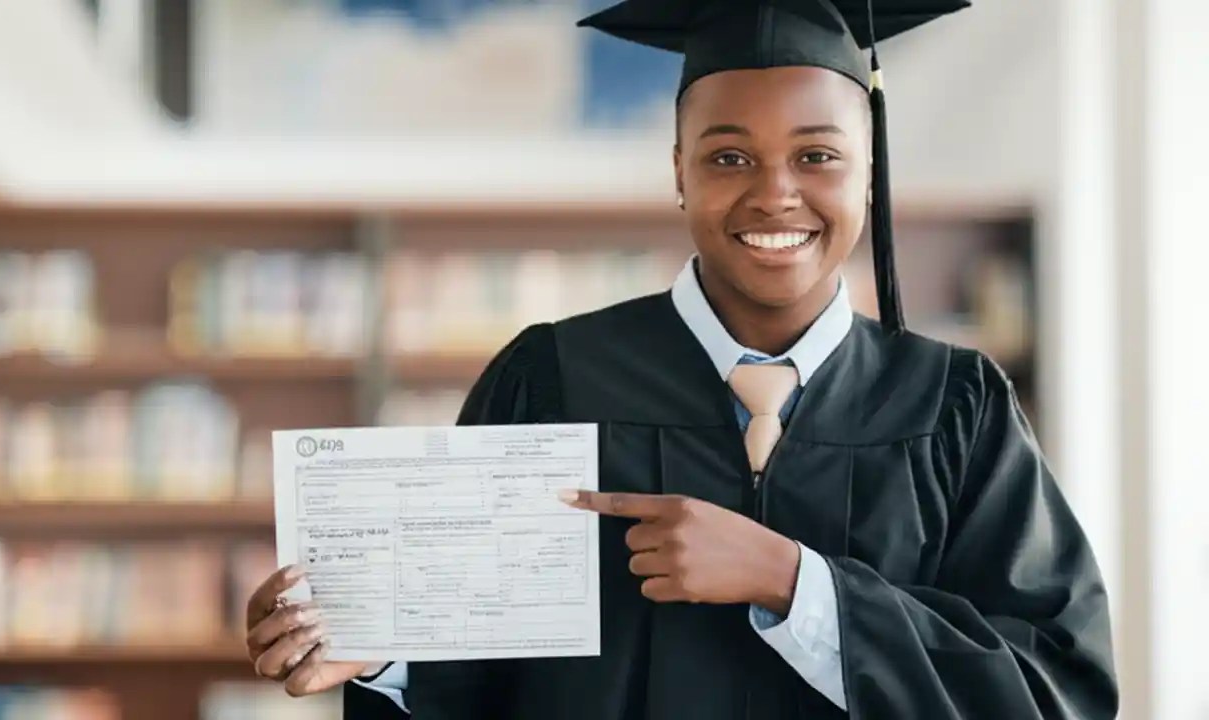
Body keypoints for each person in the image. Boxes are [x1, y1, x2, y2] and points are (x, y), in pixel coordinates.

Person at [244, 0, 1120, 717]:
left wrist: (793, 583)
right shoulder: (551, 381)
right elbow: (472, 682)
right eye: (728, 156)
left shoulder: (954, 405)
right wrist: (380, 654)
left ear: (868, 170)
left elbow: (1055, 689)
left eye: (817, 155)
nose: (775, 192)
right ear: (678, 171)